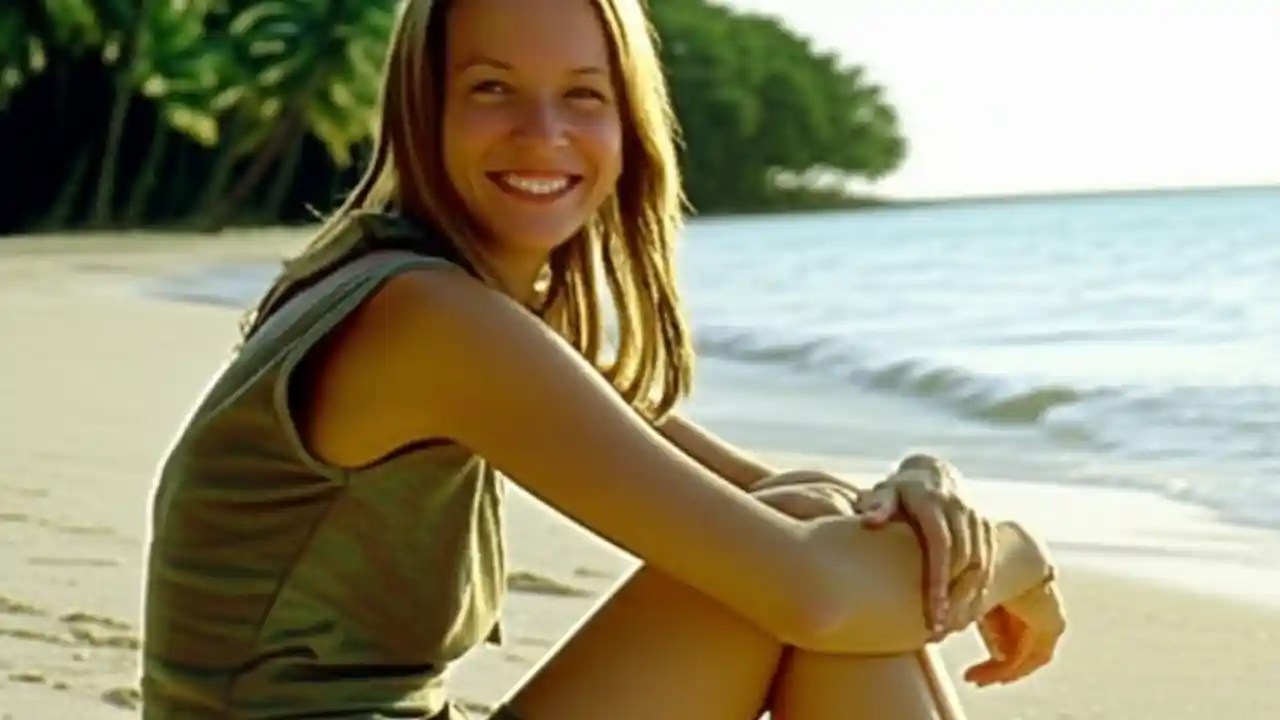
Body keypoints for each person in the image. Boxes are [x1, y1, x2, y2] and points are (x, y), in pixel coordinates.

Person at [140, 0, 1067, 717]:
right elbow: (814, 597)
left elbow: (785, 505)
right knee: (806, 572)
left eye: (583, 95)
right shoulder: (427, 320)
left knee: (807, 524)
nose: (542, 132)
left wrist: (926, 487)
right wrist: (1018, 557)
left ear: (628, 125)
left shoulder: (449, 302)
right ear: (424, 112)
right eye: (492, 88)